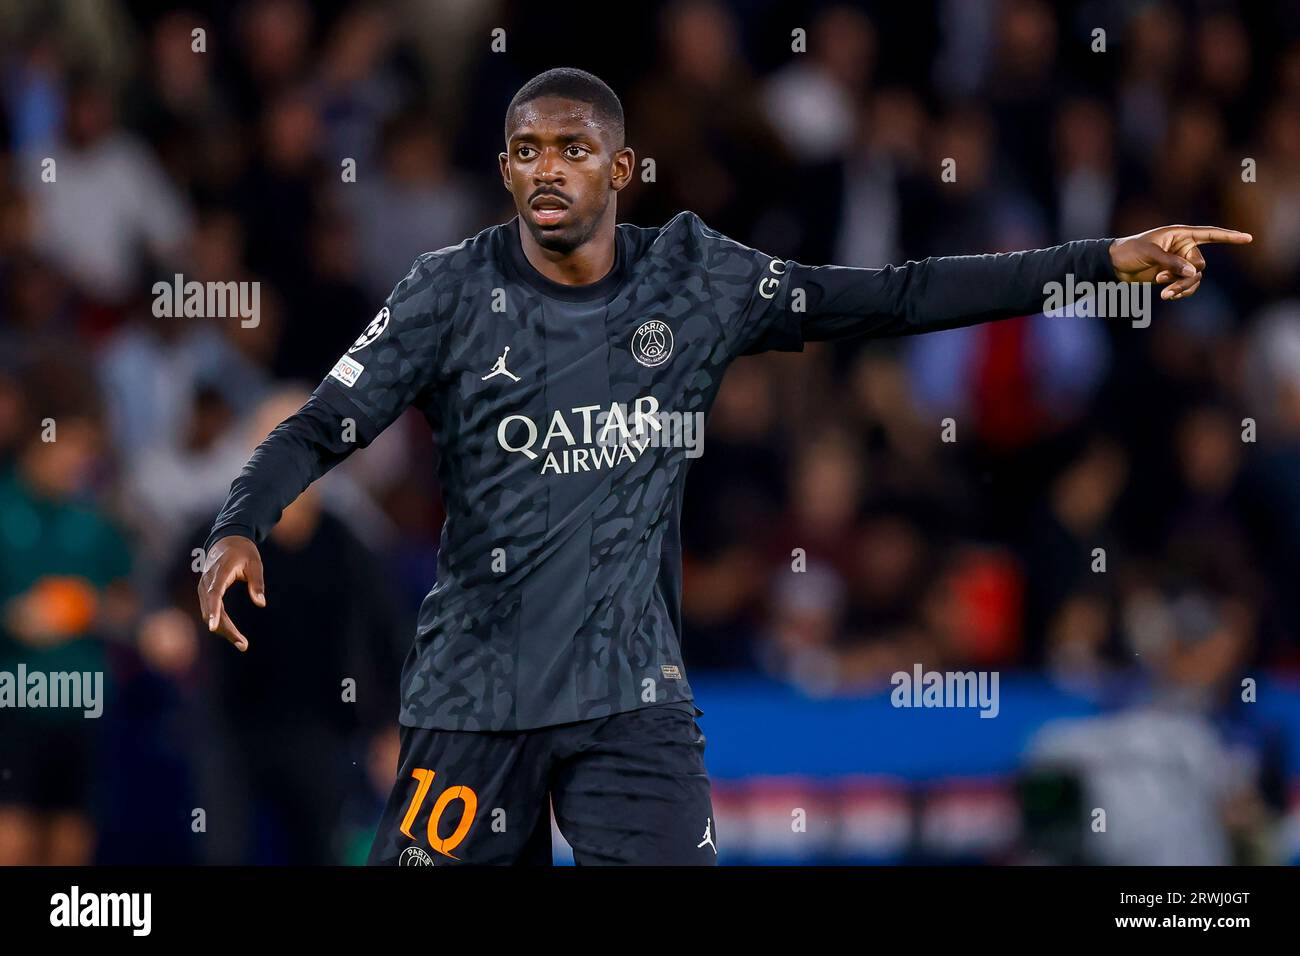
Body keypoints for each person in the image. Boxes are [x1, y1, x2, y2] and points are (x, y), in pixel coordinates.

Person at [197, 67, 1250, 865]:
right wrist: (242, 518)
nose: (544, 168)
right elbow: (320, 424)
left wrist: (1093, 262)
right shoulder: (446, 292)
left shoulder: (697, 279)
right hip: (476, 693)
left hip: (629, 696)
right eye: (525, 150)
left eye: (570, 148)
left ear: (619, 167)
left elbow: (895, 292)